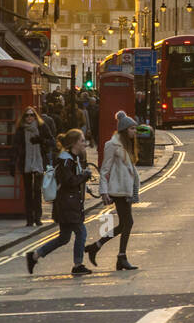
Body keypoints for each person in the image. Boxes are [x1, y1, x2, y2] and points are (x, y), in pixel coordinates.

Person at [25, 129, 93, 276]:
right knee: (81, 232)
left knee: (64, 238)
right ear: (74, 143)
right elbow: (68, 181)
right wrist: (84, 176)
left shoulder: (71, 159)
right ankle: (78, 265)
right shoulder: (66, 161)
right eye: (82, 141)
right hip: (67, 204)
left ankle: (34, 256)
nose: (84, 144)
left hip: (69, 203)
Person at [87, 112, 140, 270]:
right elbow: (104, 169)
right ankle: (121, 256)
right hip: (118, 190)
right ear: (124, 130)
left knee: (124, 224)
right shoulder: (112, 145)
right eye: (132, 128)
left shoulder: (125, 145)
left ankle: (96, 246)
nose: (134, 131)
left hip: (125, 189)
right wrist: (103, 191)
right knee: (128, 223)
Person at [12, 106, 51, 227]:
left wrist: (41, 140)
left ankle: (37, 218)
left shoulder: (42, 127)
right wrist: (12, 163)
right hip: (25, 163)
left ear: (35, 116)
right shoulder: (20, 130)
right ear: (24, 117)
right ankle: (29, 219)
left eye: (31, 115)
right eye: (27, 115)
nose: (29, 117)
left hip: (39, 163)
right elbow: (15, 147)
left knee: (37, 191)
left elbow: (52, 142)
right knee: (28, 192)